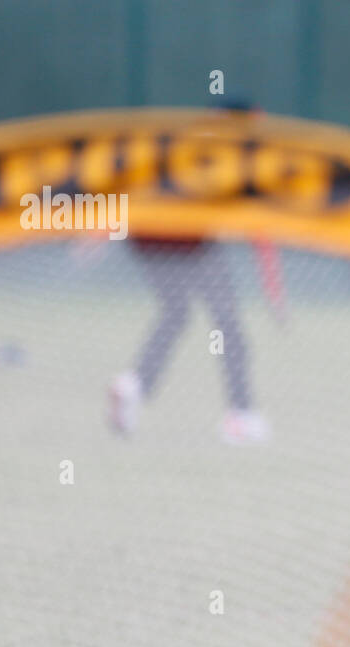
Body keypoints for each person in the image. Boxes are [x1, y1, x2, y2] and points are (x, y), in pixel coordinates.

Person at [107, 99, 274, 445]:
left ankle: (134, 384)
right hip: (191, 242)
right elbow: (258, 226)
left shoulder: (180, 140)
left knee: (176, 312)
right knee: (228, 325)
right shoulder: (229, 151)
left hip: (145, 239)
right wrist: (272, 282)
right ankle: (240, 415)